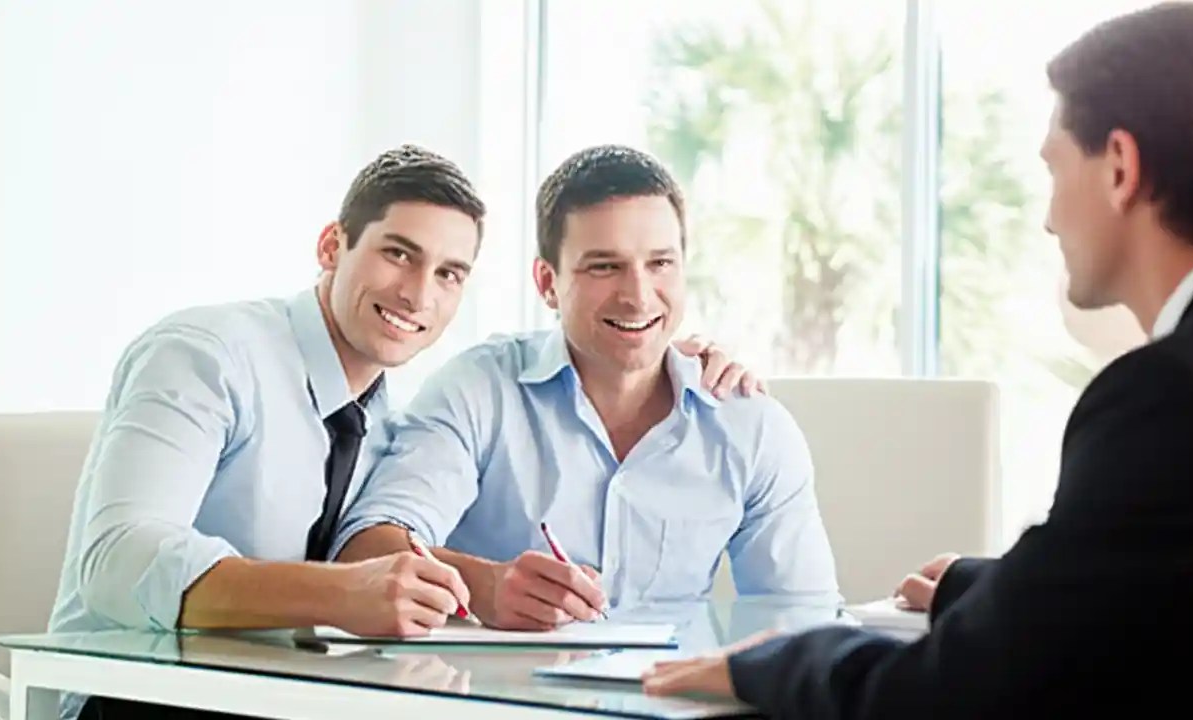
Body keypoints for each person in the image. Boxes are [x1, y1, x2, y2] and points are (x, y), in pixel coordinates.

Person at [640, 3, 1193, 716]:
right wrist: (987, 588)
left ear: (1120, 167)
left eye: (1054, 169)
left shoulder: (1173, 399)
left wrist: (771, 662)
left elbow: (957, 690)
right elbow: (1166, 580)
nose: (1049, 219)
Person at [48, 143, 755, 720]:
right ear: (332, 245)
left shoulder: (388, 420)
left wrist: (657, 357)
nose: (418, 293)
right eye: (398, 253)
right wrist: (341, 593)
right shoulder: (206, 354)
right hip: (133, 701)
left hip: (283, 705)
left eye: (449, 274)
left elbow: (385, 546)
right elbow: (118, 561)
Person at [336, 144, 839, 630]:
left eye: (660, 263)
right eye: (604, 267)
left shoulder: (750, 425)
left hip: (673, 684)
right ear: (546, 283)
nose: (638, 297)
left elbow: (803, 618)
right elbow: (365, 550)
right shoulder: (480, 391)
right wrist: (483, 586)